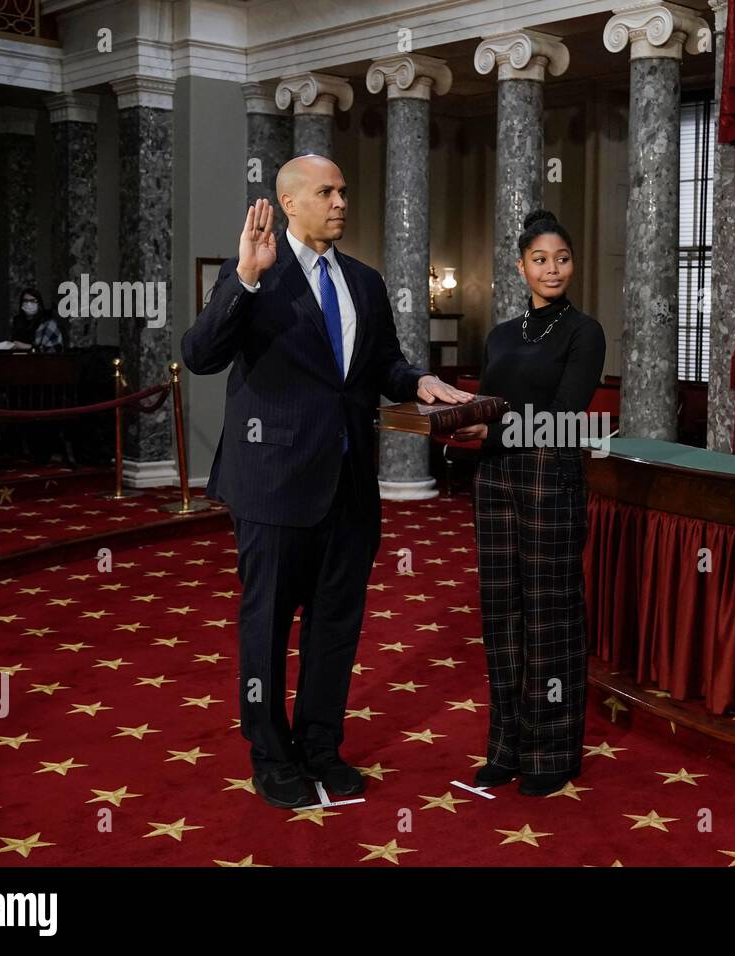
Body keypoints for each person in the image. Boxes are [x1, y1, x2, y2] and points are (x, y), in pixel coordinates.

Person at [182, 155, 472, 810]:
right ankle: (271, 755)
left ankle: (320, 746)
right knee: (266, 628)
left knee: (335, 626)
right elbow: (200, 355)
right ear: (289, 201)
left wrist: (417, 381)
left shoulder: (366, 283)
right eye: (327, 191)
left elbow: (385, 367)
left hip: (348, 486)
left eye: (344, 189)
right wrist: (245, 282)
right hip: (273, 482)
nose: (342, 200)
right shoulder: (255, 272)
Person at [453, 208, 606, 796]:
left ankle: (551, 751)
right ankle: (505, 746)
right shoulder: (500, 335)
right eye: (540, 259)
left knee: (550, 617)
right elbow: (492, 405)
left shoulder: (582, 331)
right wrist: (460, 422)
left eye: (562, 259)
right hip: (493, 480)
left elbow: (563, 419)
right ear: (521, 267)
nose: (552, 269)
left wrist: (488, 431)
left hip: (551, 479)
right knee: (501, 616)